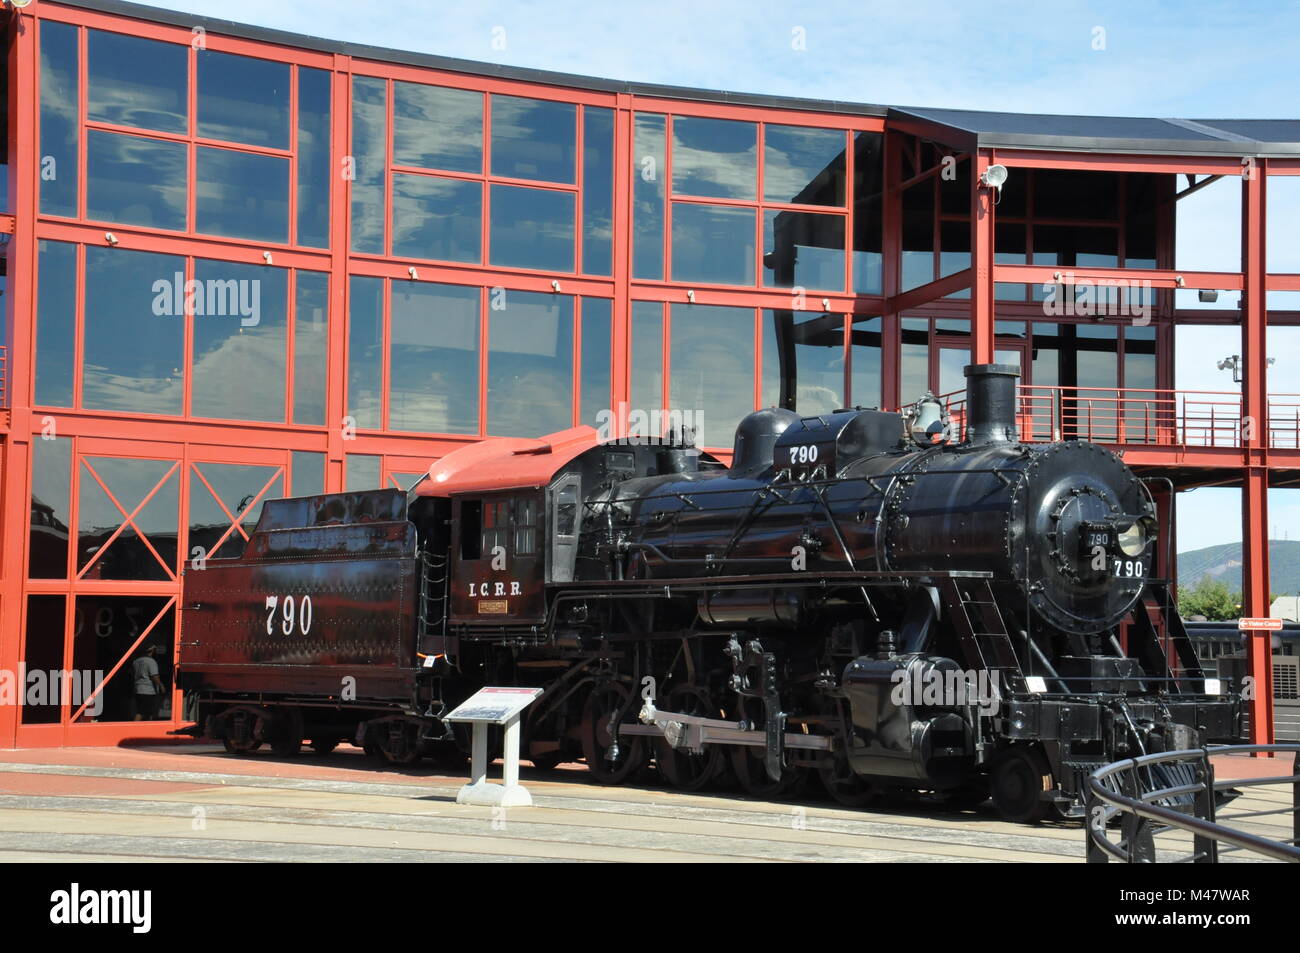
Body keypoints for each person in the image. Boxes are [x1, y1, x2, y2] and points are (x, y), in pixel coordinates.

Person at [131, 645, 165, 721]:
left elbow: (132, 673)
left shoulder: (136, 661)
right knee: (142, 712)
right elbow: (154, 676)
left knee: (148, 712)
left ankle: (148, 727)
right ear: (152, 651)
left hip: (137, 688)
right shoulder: (151, 661)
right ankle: (133, 728)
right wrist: (161, 686)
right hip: (148, 690)